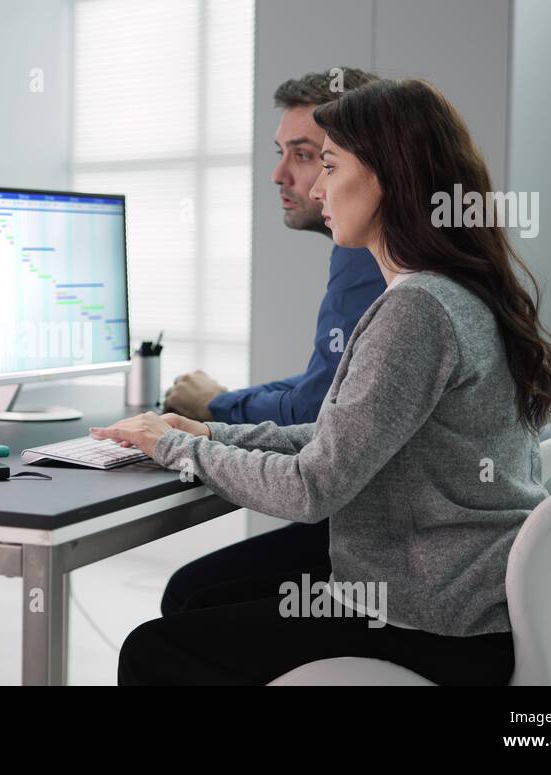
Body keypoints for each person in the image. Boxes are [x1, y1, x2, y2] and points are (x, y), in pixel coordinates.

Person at [91, 78, 551, 685]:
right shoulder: (454, 291)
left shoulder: (417, 310)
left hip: (425, 621)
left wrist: (174, 447)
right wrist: (208, 433)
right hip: (457, 610)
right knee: (197, 606)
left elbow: (312, 488)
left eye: (327, 164)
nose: (315, 187)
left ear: (389, 178)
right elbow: (335, 437)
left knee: (152, 651)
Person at [158, 69, 385, 619]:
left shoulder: (379, 267)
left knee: (185, 605)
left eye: (311, 157)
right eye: (283, 153)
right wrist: (218, 417)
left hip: (388, 561)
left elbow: (316, 419)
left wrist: (213, 412)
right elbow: (324, 389)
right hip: (396, 543)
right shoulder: (377, 257)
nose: (284, 175)